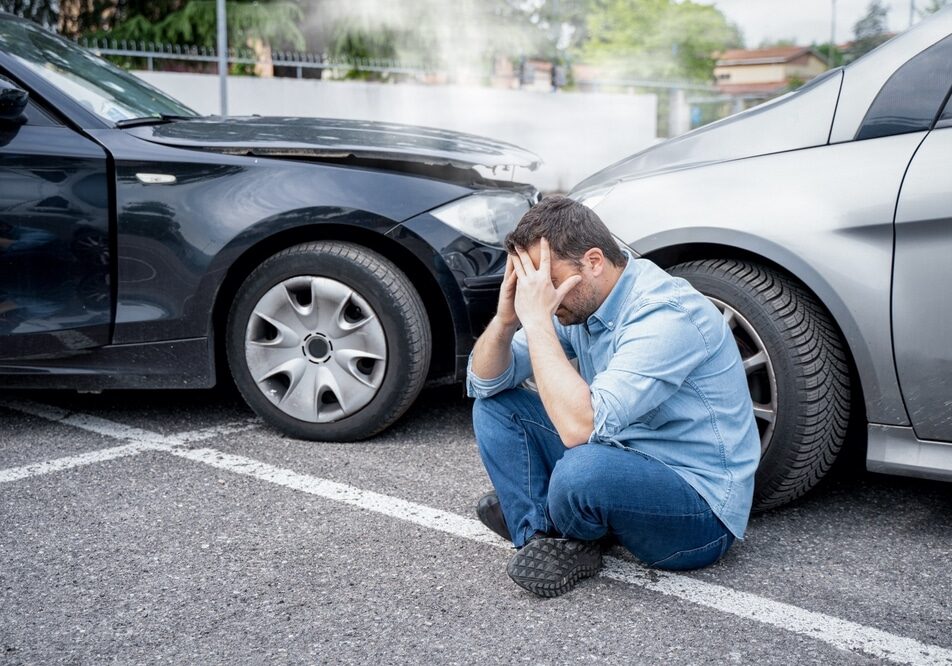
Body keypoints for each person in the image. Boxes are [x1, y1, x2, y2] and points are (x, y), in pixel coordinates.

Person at [467, 196, 760, 598]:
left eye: (549, 282)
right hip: (618, 456)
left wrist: (537, 323)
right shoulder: (582, 304)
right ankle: (541, 539)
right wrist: (506, 320)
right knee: (496, 407)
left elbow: (579, 429)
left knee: (580, 472)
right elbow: (485, 381)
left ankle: (564, 522)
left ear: (593, 261)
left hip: (697, 508)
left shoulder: (665, 314)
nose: (543, 297)